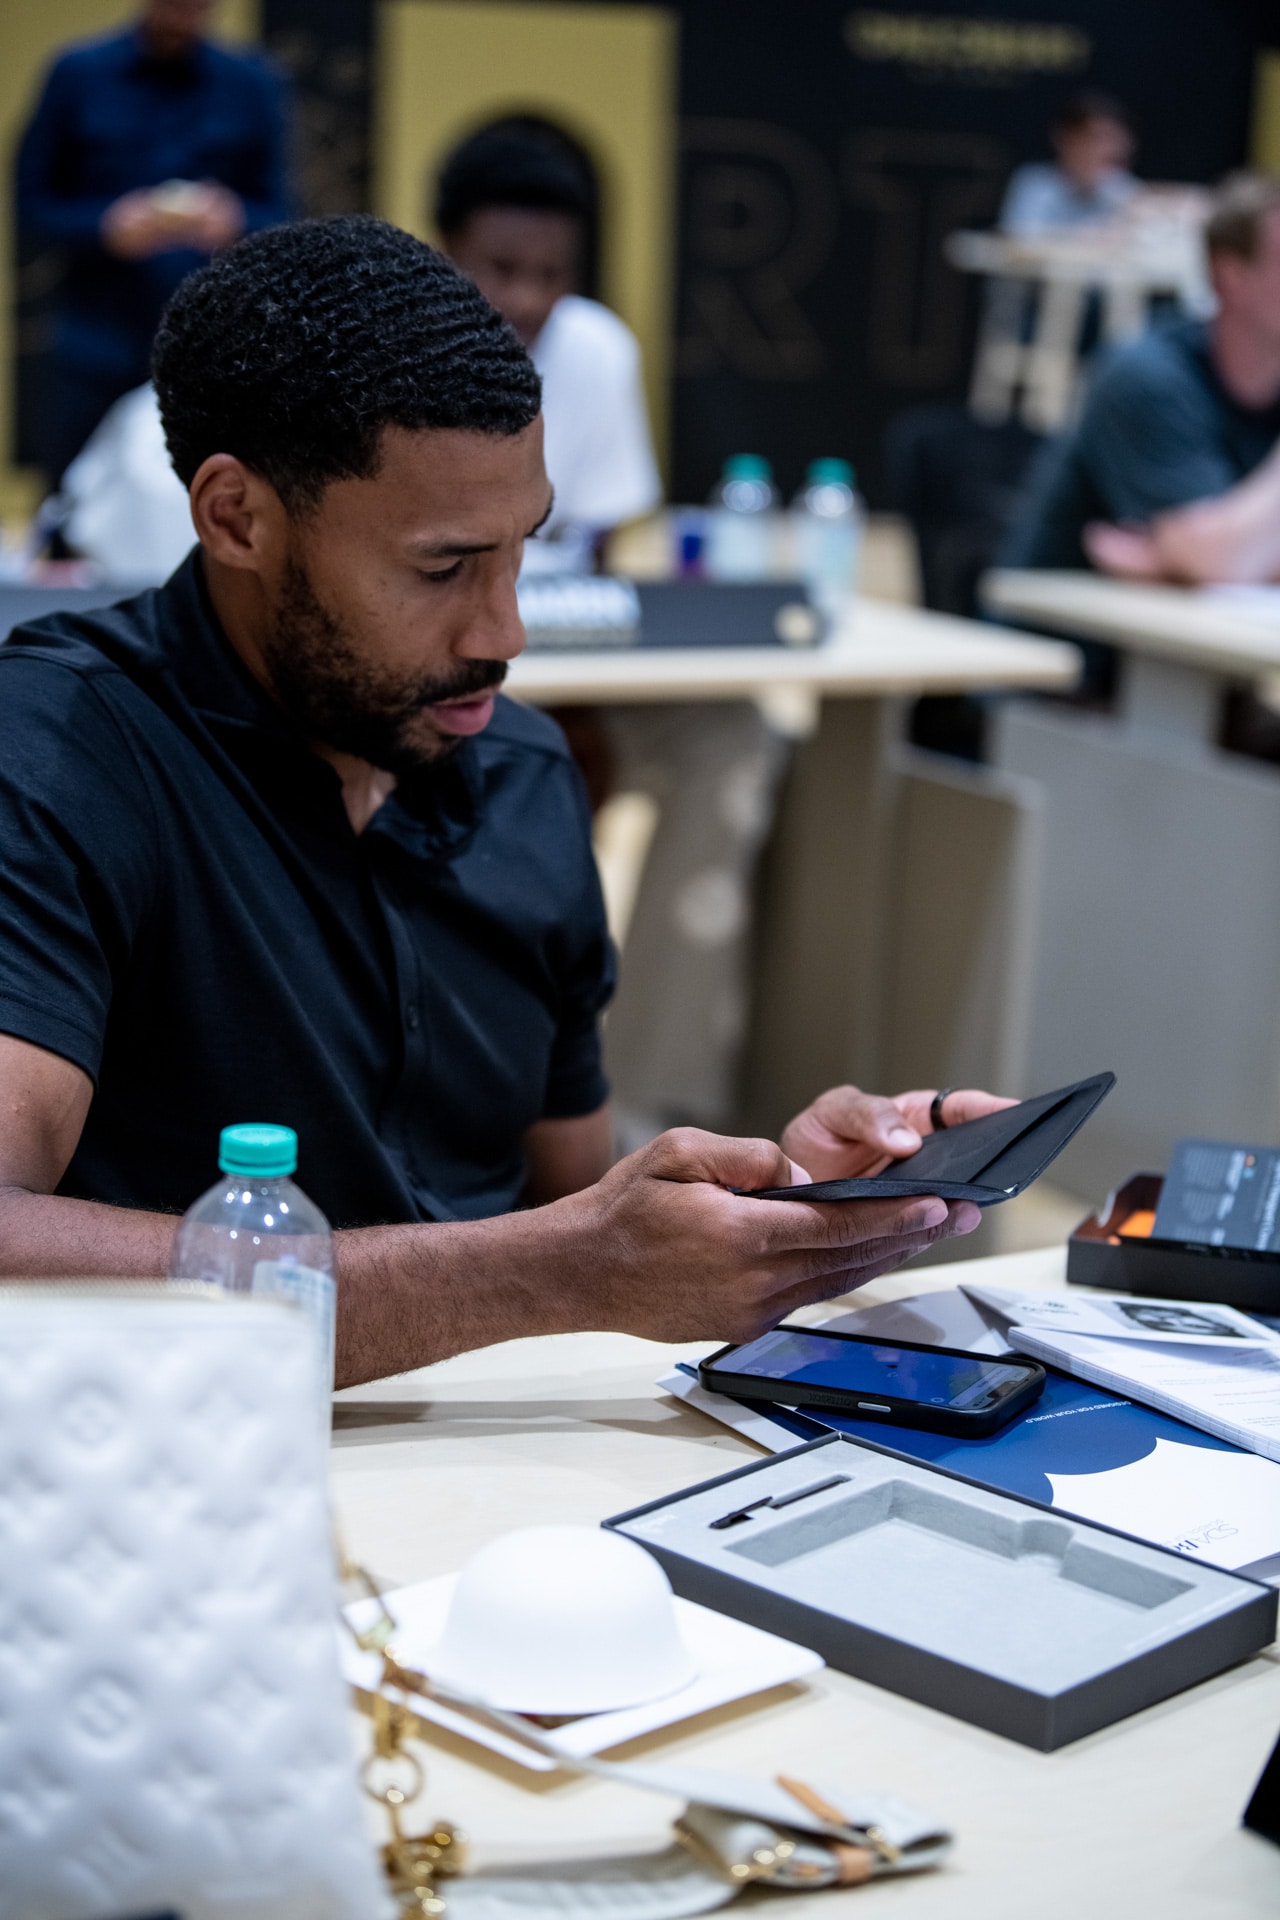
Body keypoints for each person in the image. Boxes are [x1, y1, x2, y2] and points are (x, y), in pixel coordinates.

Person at [0, 216, 991, 1389]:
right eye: (441, 568)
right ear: (236, 517)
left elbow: (570, 1216)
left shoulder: (520, 773)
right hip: (192, 1472)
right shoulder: (59, 752)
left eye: (526, 549)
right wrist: (544, 1275)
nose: (504, 634)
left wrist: (772, 1203)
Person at [438, 120, 789, 1134]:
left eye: (549, 272)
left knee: (734, 733)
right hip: (433, 675)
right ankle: (472, 1104)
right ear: (446, 251)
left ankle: (646, 1102)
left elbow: (591, 544)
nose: (525, 299)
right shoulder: (393, 347)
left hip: (558, 657)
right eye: (499, 268)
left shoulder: (594, 348)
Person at [15, 0, 289, 484]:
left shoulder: (252, 82)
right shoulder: (78, 73)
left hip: (210, 341)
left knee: (202, 500)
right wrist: (104, 225)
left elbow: (281, 212)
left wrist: (233, 217)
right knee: (69, 505)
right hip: (93, 338)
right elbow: (32, 207)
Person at [1004, 174, 1280, 583]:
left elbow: (1219, 563)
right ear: (1230, 276)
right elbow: (1213, 564)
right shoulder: (1145, 376)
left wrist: (1188, 559)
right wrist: (1212, 556)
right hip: (1065, 638)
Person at [999, 92, 1137, 237]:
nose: (1109, 150)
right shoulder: (1035, 182)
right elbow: (1018, 240)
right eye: (1097, 138)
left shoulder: (1121, 186)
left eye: (1115, 140)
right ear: (1064, 138)